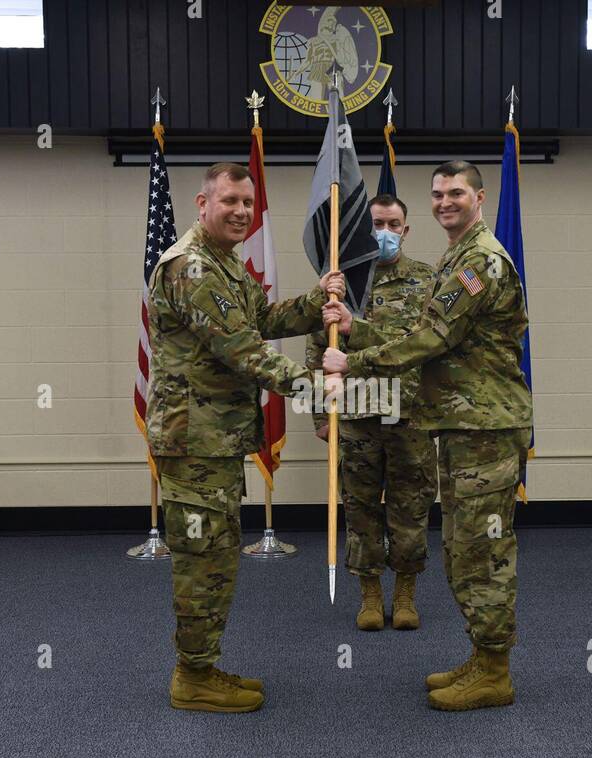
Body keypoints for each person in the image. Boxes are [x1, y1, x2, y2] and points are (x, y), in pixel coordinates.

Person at [322, 161, 533, 711]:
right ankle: (483, 658)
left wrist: (355, 357)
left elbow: (433, 336)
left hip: (484, 427)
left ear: (480, 197)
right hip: (465, 425)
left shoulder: (480, 262)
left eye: (456, 193)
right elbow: (425, 334)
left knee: (482, 552)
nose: (445, 202)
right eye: (438, 193)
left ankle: (494, 671)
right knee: (463, 548)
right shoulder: (458, 256)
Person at [147, 162, 344, 713]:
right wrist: (312, 387)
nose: (239, 212)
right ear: (201, 203)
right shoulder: (192, 268)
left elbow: (263, 318)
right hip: (194, 442)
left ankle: (203, 665)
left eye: (246, 204)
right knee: (201, 559)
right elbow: (243, 349)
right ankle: (192, 676)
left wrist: (314, 302)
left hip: (214, 439)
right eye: (228, 200)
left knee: (216, 554)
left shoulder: (225, 264)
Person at [306, 194, 437, 631]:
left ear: (406, 229)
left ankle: (404, 594)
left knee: (411, 507)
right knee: (360, 509)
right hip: (358, 416)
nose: (385, 231)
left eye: (393, 224)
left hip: (410, 415)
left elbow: (421, 343)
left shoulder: (427, 280)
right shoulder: (345, 283)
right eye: (377, 223)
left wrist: (357, 330)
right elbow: (317, 350)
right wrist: (321, 416)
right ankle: (369, 594)